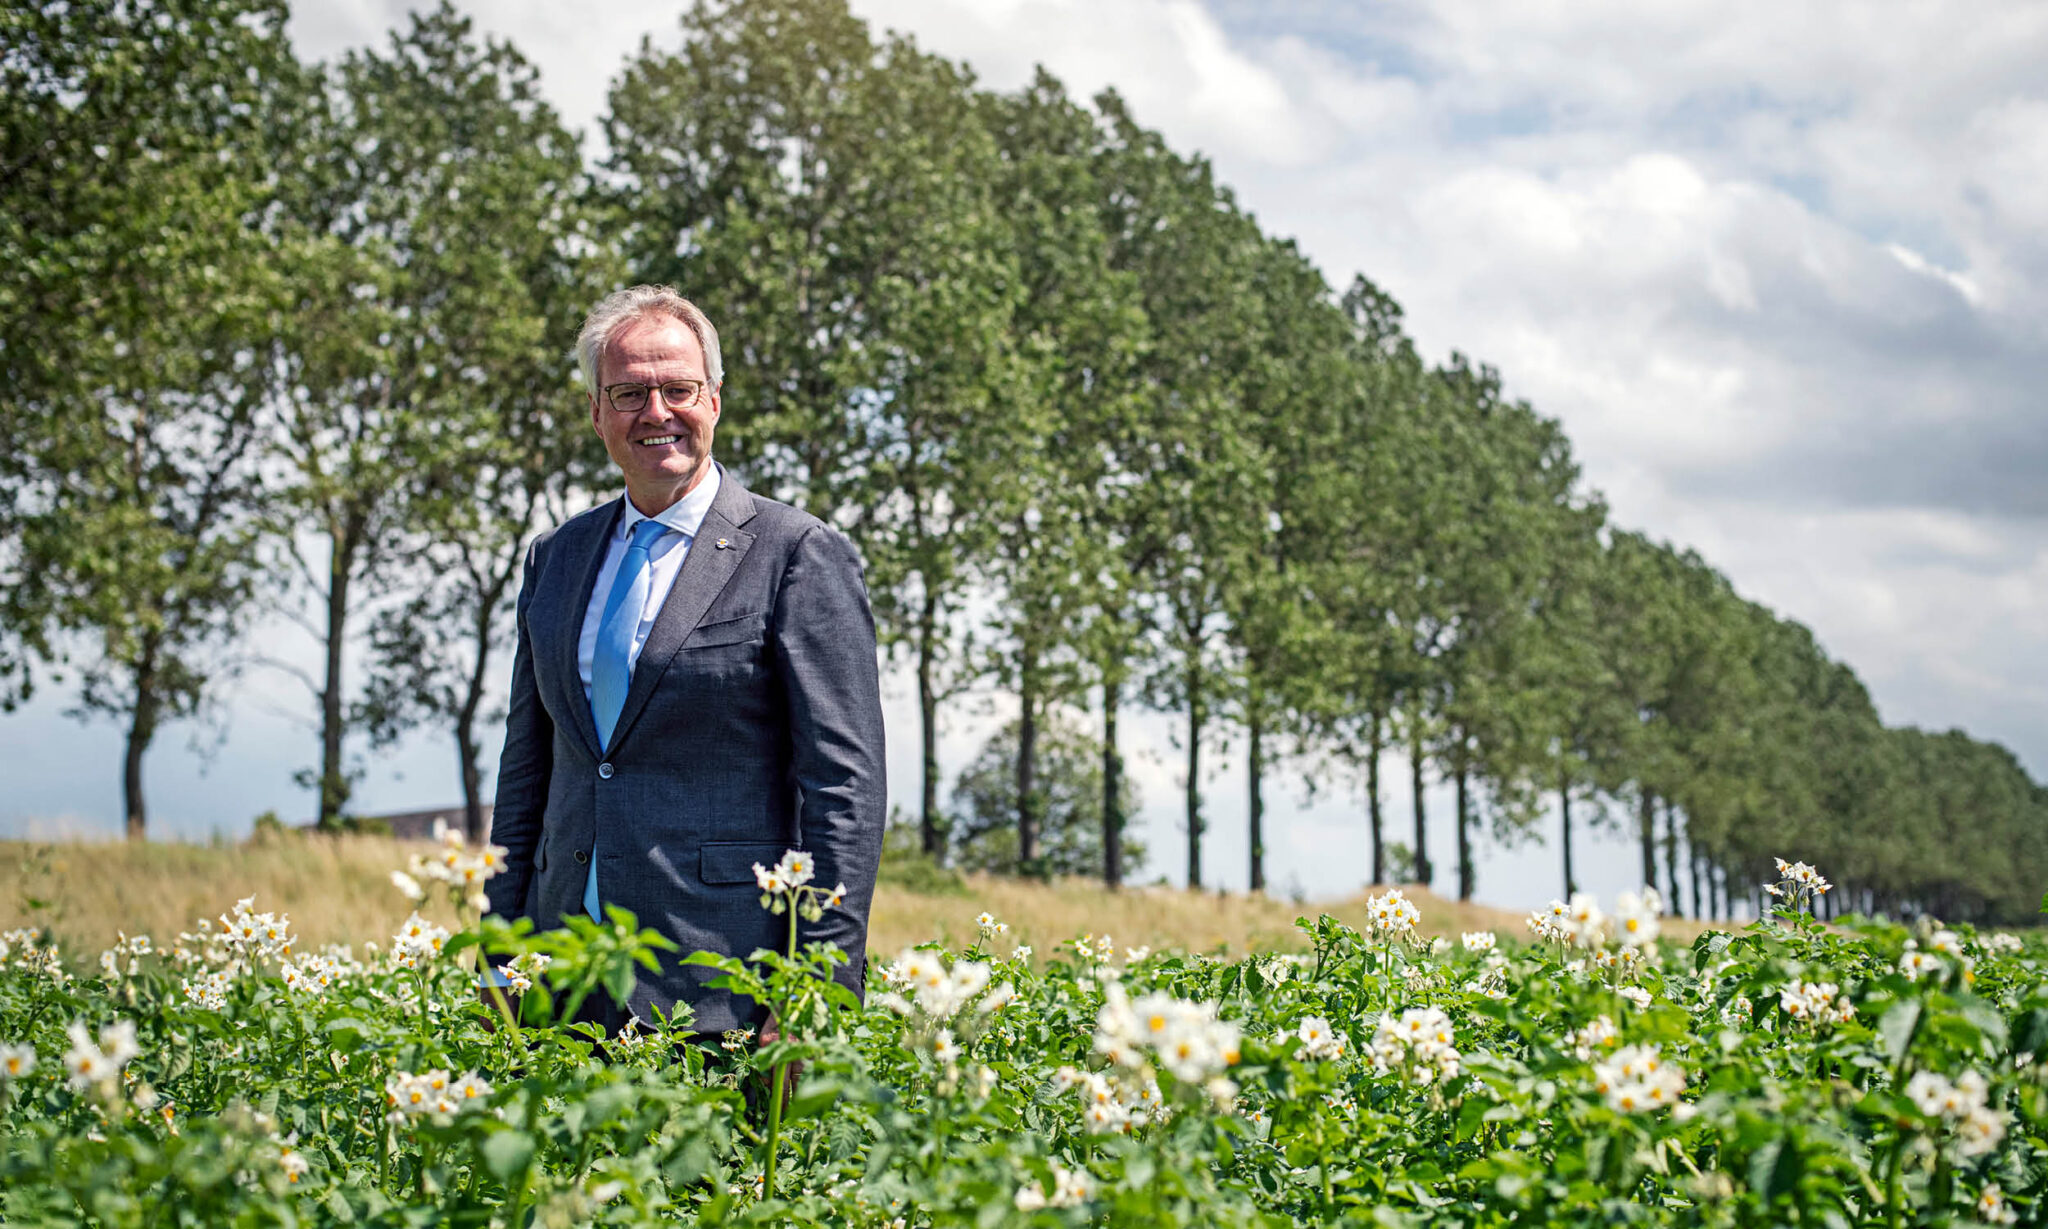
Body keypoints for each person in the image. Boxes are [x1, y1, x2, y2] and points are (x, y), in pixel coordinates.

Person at [479, 285, 886, 1039]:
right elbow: (527, 772)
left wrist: (816, 993)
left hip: (722, 986)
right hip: (560, 985)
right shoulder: (556, 558)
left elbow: (845, 789)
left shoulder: (796, 553)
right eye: (629, 391)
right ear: (597, 412)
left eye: (678, 388)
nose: (656, 412)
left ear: (716, 400)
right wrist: (499, 950)